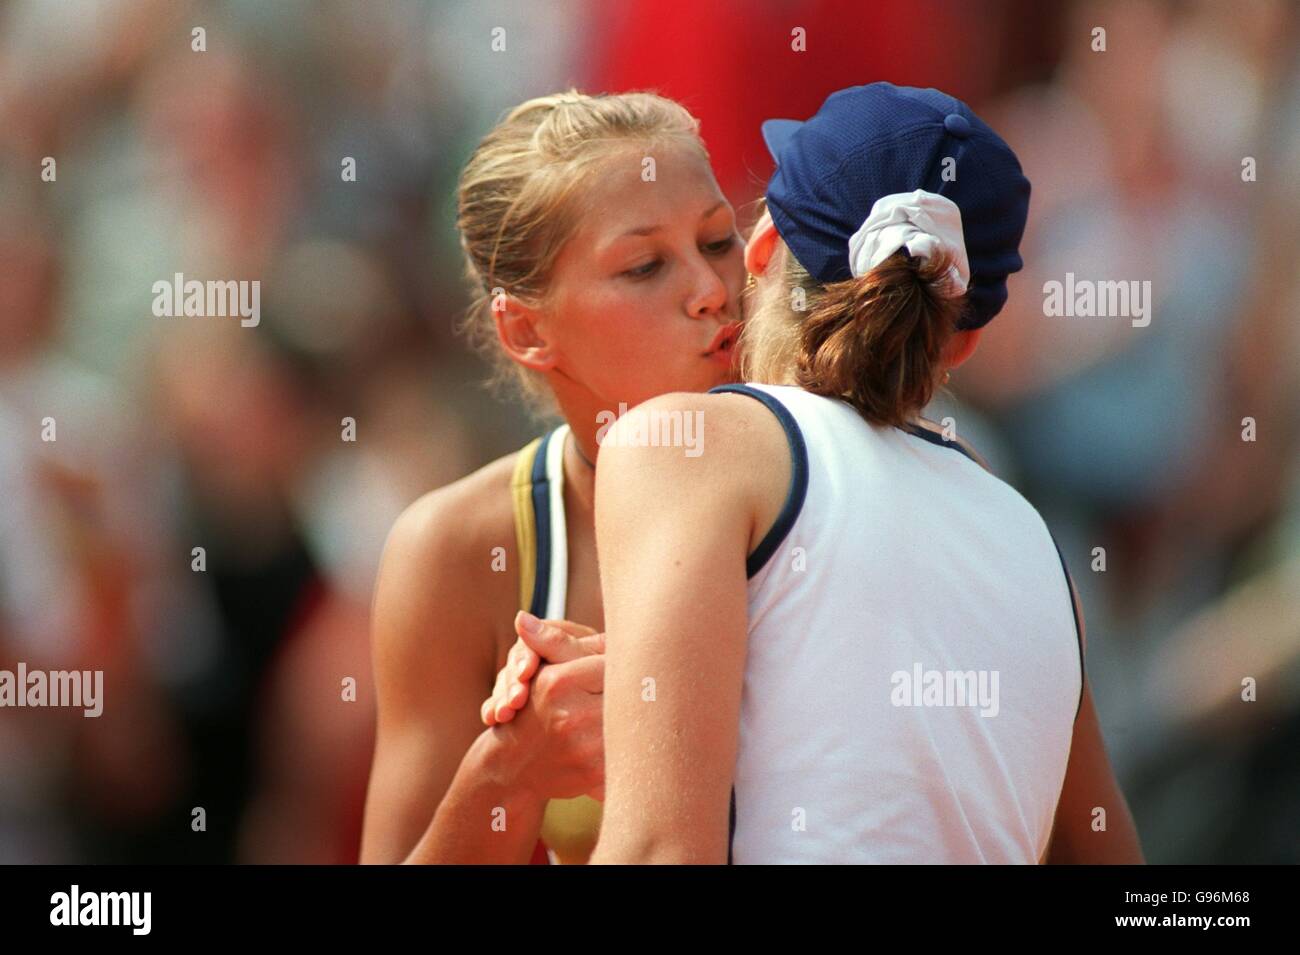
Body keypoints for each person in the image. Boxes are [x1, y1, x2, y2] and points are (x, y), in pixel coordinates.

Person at [574, 83, 1144, 863]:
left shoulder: (681, 448)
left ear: (764, 248)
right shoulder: (1039, 550)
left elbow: (655, 850)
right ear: (963, 342)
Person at [359, 90, 747, 864]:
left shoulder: (870, 467)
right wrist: (513, 766)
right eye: (645, 265)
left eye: (716, 240)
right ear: (527, 329)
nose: (711, 289)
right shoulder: (456, 551)